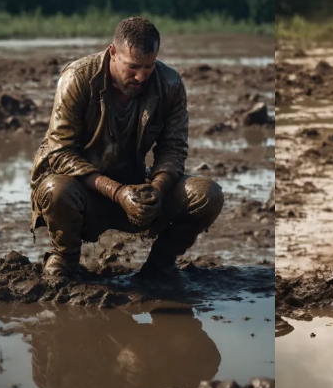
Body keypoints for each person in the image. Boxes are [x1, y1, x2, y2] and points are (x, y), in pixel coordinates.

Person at [30, 17, 223, 278]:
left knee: (207, 193)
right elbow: (60, 154)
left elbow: (173, 150)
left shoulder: (170, 84)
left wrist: (156, 189)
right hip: (83, 188)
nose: (141, 76)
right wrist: (118, 192)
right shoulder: (78, 78)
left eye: (149, 66)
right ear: (112, 52)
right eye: (133, 66)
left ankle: (161, 264)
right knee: (55, 189)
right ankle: (65, 257)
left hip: (135, 184)